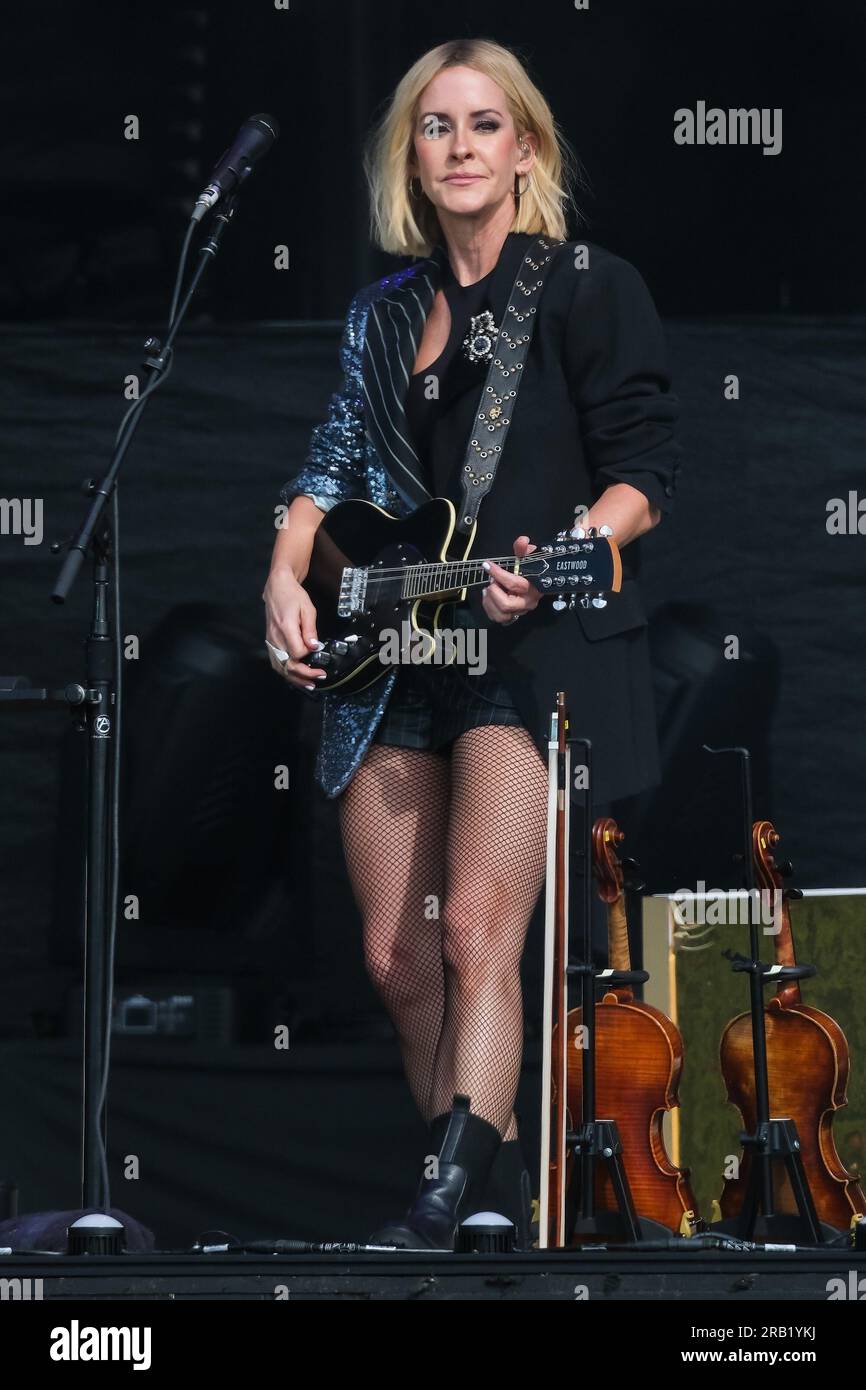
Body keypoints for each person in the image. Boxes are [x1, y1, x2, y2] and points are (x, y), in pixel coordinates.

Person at [262, 37, 682, 1250]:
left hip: (528, 653)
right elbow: (327, 469)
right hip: (395, 658)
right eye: (435, 126)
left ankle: (439, 1202)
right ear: (410, 153)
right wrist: (286, 575)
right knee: (399, 958)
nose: (458, 146)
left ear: (525, 151)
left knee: (473, 932)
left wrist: (569, 544)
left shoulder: (588, 286)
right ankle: (492, 1195)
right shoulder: (384, 314)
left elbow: (644, 473)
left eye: (483, 125)